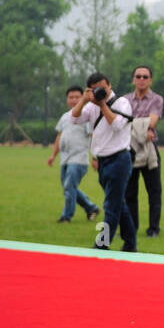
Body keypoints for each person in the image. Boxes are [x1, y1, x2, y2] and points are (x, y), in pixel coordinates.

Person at [71, 72, 138, 251]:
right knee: (118, 203)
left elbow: (116, 125)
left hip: (119, 160)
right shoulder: (91, 105)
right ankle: (130, 244)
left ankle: (102, 244)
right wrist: (84, 100)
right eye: (95, 88)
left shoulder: (122, 102)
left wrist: (102, 104)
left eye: (102, 86)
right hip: (102, 162)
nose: (100, 91)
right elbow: (74, 118)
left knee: (111, 205)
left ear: (109, 85)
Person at [48, 85, 100, 224]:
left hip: (79, 159)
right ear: (67, 99)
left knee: (69, 187)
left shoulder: (86, 115)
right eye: (71, 97)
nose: (74, 100)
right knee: (69, 187)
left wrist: (95, 157)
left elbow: (93, 136)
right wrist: (53, 155)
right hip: (65, 158)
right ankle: (91, 208)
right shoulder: (65, 117)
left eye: (77, 97)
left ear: (83, 97)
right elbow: (60, 135)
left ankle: (66, 216)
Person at [124, 65, 164, 238]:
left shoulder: (157, 99)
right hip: (129, 148)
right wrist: (142, 128)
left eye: (145, 76)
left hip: (150, 150)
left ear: (150, 80)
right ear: (133, 79)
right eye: (138, 76)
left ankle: (154, 228)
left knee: (154, 191)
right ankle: (131, 226)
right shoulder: (124, 100)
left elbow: (152, 123)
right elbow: (121, 123)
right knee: (130, 192)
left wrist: (134, 124)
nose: (141, 79)